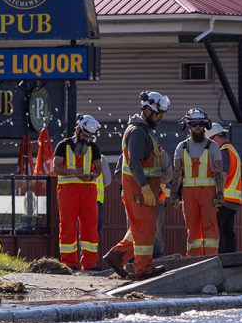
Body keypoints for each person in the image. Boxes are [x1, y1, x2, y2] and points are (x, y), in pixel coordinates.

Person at [103, 91, 170, 280]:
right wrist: (145, 187)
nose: (160, 119)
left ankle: (117, 257)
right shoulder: (138, 132)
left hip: (143, 189)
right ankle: (143, 269)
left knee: (139, 229)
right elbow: (134, 163)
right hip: (140, 190)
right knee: (144, 230)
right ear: (147, 111)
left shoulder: (143, 131)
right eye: (159, 115)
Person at [53, 114, 102, 272]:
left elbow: (99, 168)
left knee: (90, 226)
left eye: (89, 136)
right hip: (68, 191)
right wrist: (73, 172)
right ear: (78, 129)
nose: (86, 138)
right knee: (68, 226)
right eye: (84, 135)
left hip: (88, 190)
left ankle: (90, 264)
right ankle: (69, 263)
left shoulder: (93, 147)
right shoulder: (63, 145)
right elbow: (56, 168)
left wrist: (93, 176)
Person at [174, 108, 223, 257]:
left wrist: (220, 193)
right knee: (192, 228)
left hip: (208, 194)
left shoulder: (213, 146)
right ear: (188, 126)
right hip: (188, 195)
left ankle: (210, 258)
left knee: (210, 226)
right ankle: (193, 259)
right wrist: (174, 194)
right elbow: (177, 173)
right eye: (194, 124)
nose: (197, 128)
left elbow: (218, 172)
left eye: (200, 124)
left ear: (205, 125)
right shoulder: (181, 147)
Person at [208, 122, 242, 254]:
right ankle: (231, 257)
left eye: (210, 140)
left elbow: (222, 174)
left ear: (215, 138)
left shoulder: (223, 151)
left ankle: (223, 258)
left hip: (224, 199)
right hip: (233, 201)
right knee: (228, 231)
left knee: (218, 230)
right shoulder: (233, 150)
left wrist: (218, 195)